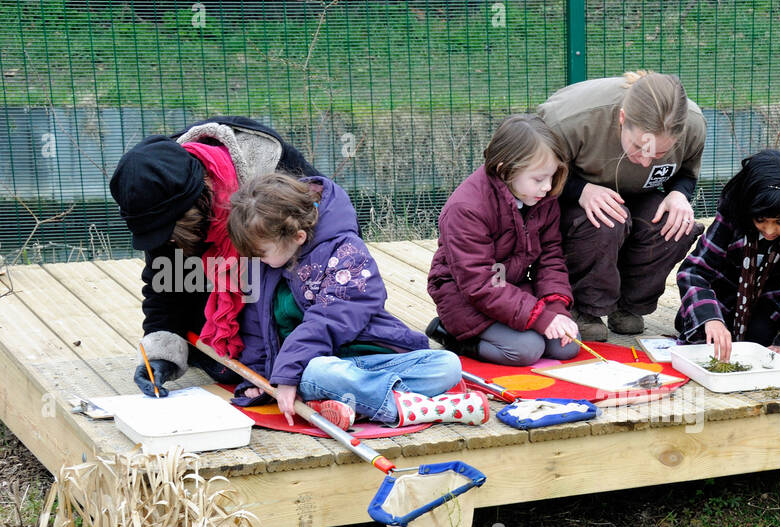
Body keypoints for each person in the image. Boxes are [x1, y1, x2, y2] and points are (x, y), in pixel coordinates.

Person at [226, 173, 485, 429]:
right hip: (313, 367)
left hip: (371, 360)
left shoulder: (348, 252)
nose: (257, 260)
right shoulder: (262, 266)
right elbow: (256, 329)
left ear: (298, 237)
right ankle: (400, 407)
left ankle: (351, 402)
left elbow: (329, 319)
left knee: (447, 365)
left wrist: (288, 372)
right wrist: (256, 379)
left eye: (261, 253)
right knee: (319, 371)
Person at [109, 116, 320, 396]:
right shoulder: (159, 194)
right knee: (218, 358)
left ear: (199, 201)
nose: (168, 241)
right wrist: (160, 355)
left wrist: (288, 363)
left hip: (286, 296)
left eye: (171, 232)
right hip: (225, 308)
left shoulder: (277, 174)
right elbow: (166, 283)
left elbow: (327, 268)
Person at [537, 71, 706, 340]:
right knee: (606, 219)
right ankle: (585, 308)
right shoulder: (571, 120)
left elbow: (686, 172)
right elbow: (534, 172)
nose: (645, 162)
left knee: (677, 225)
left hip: (638, 195)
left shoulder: (693, 124)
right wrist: (580, 189)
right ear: (622, 119)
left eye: (659, 154)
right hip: (571, 196)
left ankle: (627, 306)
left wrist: (679, 194)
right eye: (638, 147)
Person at [425, 114, 580, 366]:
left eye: (552, 176)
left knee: (567, 345)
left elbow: (550, 258)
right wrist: (539, 318)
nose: (548, 187)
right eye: (539, 179)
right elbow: (480, 282)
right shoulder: (466, 208)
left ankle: (522, 326)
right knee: (526, 350)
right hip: (464, 296)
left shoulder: (542, 198)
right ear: (504, 169)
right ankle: (451, 335)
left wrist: (555, 309)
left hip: (512, 287)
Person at [675, 149, 780, 360]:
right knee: (696, 326)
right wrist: (711, 318)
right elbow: (693, 272)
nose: (770, 231)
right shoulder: (732, 213)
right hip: (728, 289)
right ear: (748, 209)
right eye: (761, 220)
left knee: (760, 338)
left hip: (772, 296)